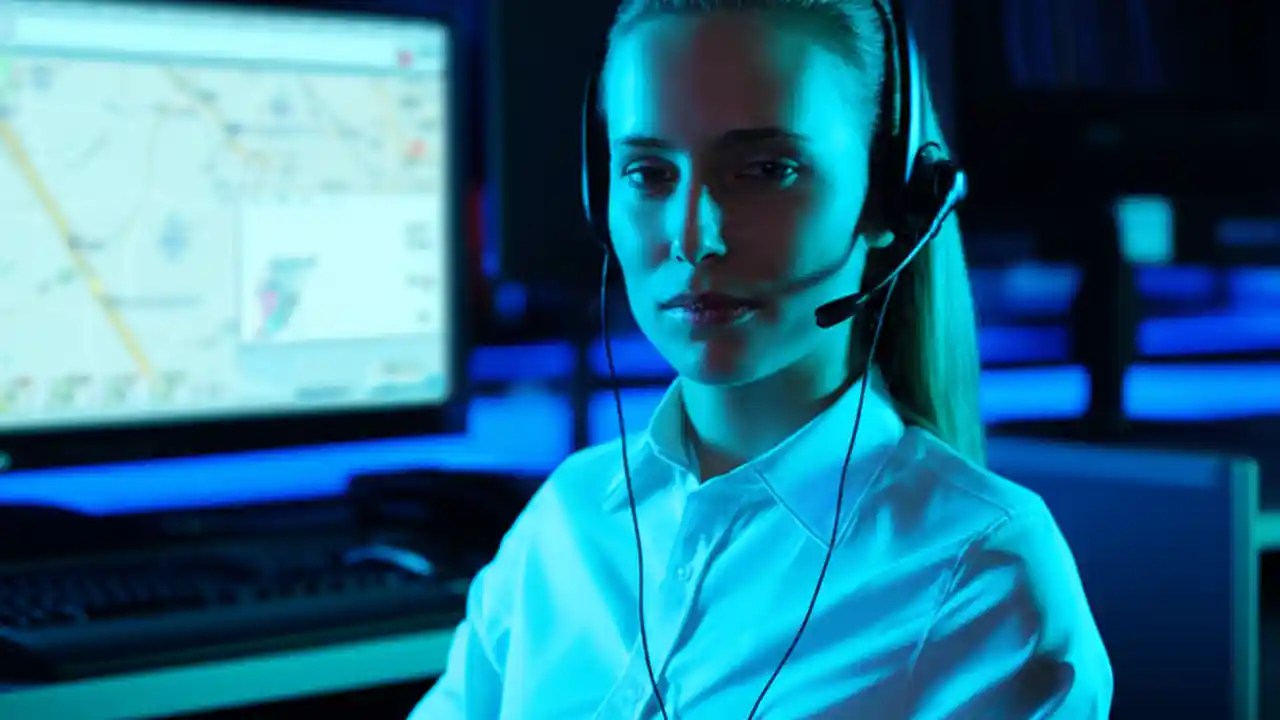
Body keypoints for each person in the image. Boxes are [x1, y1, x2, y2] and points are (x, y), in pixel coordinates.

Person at [410, 0, 1113, 717]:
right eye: (649, 174)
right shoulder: (566, 520)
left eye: (766, 169)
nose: (694, 237)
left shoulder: (980, 576)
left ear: (891, 201)